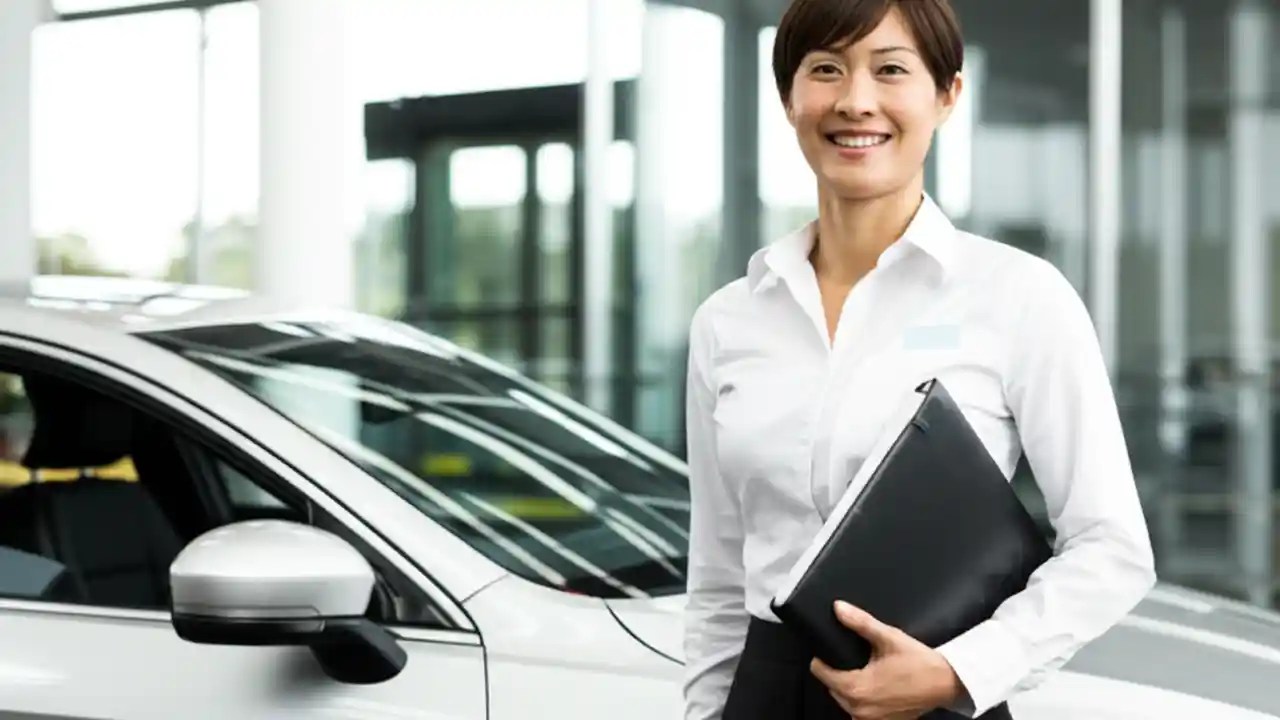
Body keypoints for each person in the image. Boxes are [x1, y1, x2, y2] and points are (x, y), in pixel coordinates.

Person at [681, 0, 1158, 718]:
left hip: (937, 689)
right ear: (789, 97)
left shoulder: (1018, 296)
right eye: (826, 70)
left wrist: (960, 671)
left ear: (947, 95)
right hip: (769, 692)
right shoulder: (729, 319)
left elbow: (1112, 547)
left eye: (891, 69)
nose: (855, 100)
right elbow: (718, 572)